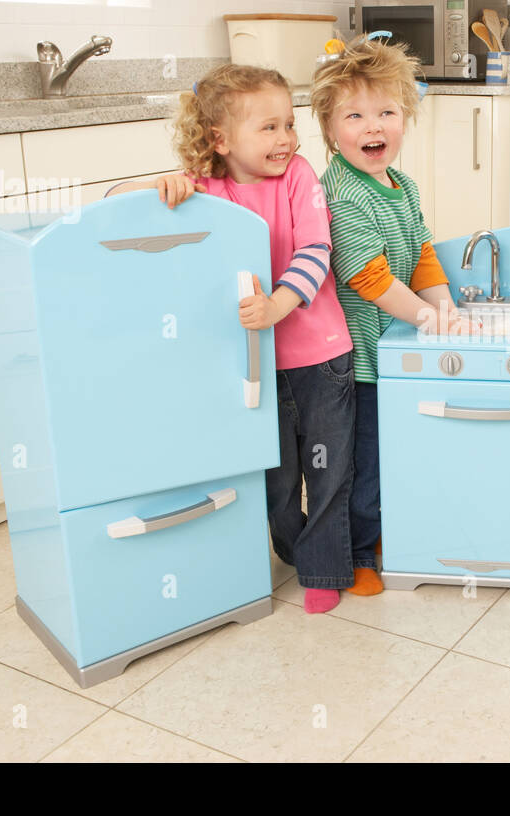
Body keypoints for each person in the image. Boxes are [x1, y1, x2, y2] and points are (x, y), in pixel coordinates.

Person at [108, 64, 357, 615]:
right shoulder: (206, 186)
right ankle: (292, 547)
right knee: (273, 472)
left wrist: (277, 307)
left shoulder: (298, 176)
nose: (286, 139)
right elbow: (112, 201)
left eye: (289, 125)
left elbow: (316, 252)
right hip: (250, 363)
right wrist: (158, 184)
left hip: (320, 356)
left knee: (328, 468)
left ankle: (323, 567)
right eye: (269, 128)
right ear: (220, 139)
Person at [310, 38, 477, 595]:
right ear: (331, 130)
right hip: (360, 360)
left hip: (399, 350)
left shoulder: (400, 186)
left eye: (386, 112)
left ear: (406, 118)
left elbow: (422, 252)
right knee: (365, 463)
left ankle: (381, 534)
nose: (372, 126)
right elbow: (369, 276)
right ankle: (358, 555)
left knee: (399, 449)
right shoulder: (339, 192)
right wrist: (432, 323)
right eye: (354, 115)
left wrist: (445, 308)